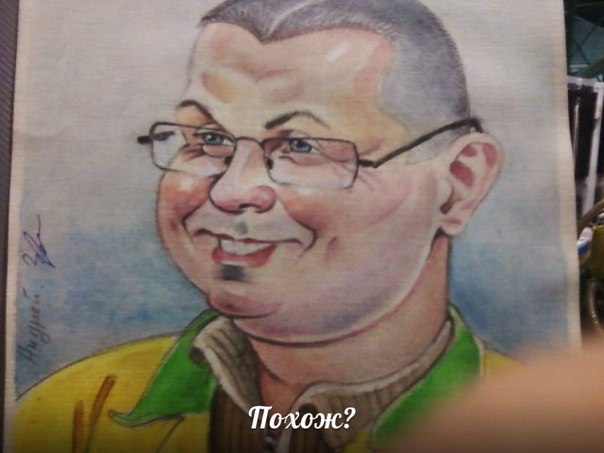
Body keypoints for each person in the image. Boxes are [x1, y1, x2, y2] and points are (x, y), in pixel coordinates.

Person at [13, 0, 503, 451]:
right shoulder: (79, 412)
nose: (231, 191)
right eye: (208, 139)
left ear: (458, 184)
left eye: (302, 146)